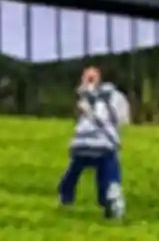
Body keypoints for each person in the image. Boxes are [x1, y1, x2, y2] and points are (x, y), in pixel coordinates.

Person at [57, 66, 125, 219]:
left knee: (74, 169)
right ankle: (109, 196)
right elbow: (117, 119)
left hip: (81, 144)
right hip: (103, 145)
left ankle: (65, 194)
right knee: (108, 167)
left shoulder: (82, 96)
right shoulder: (110, 97)